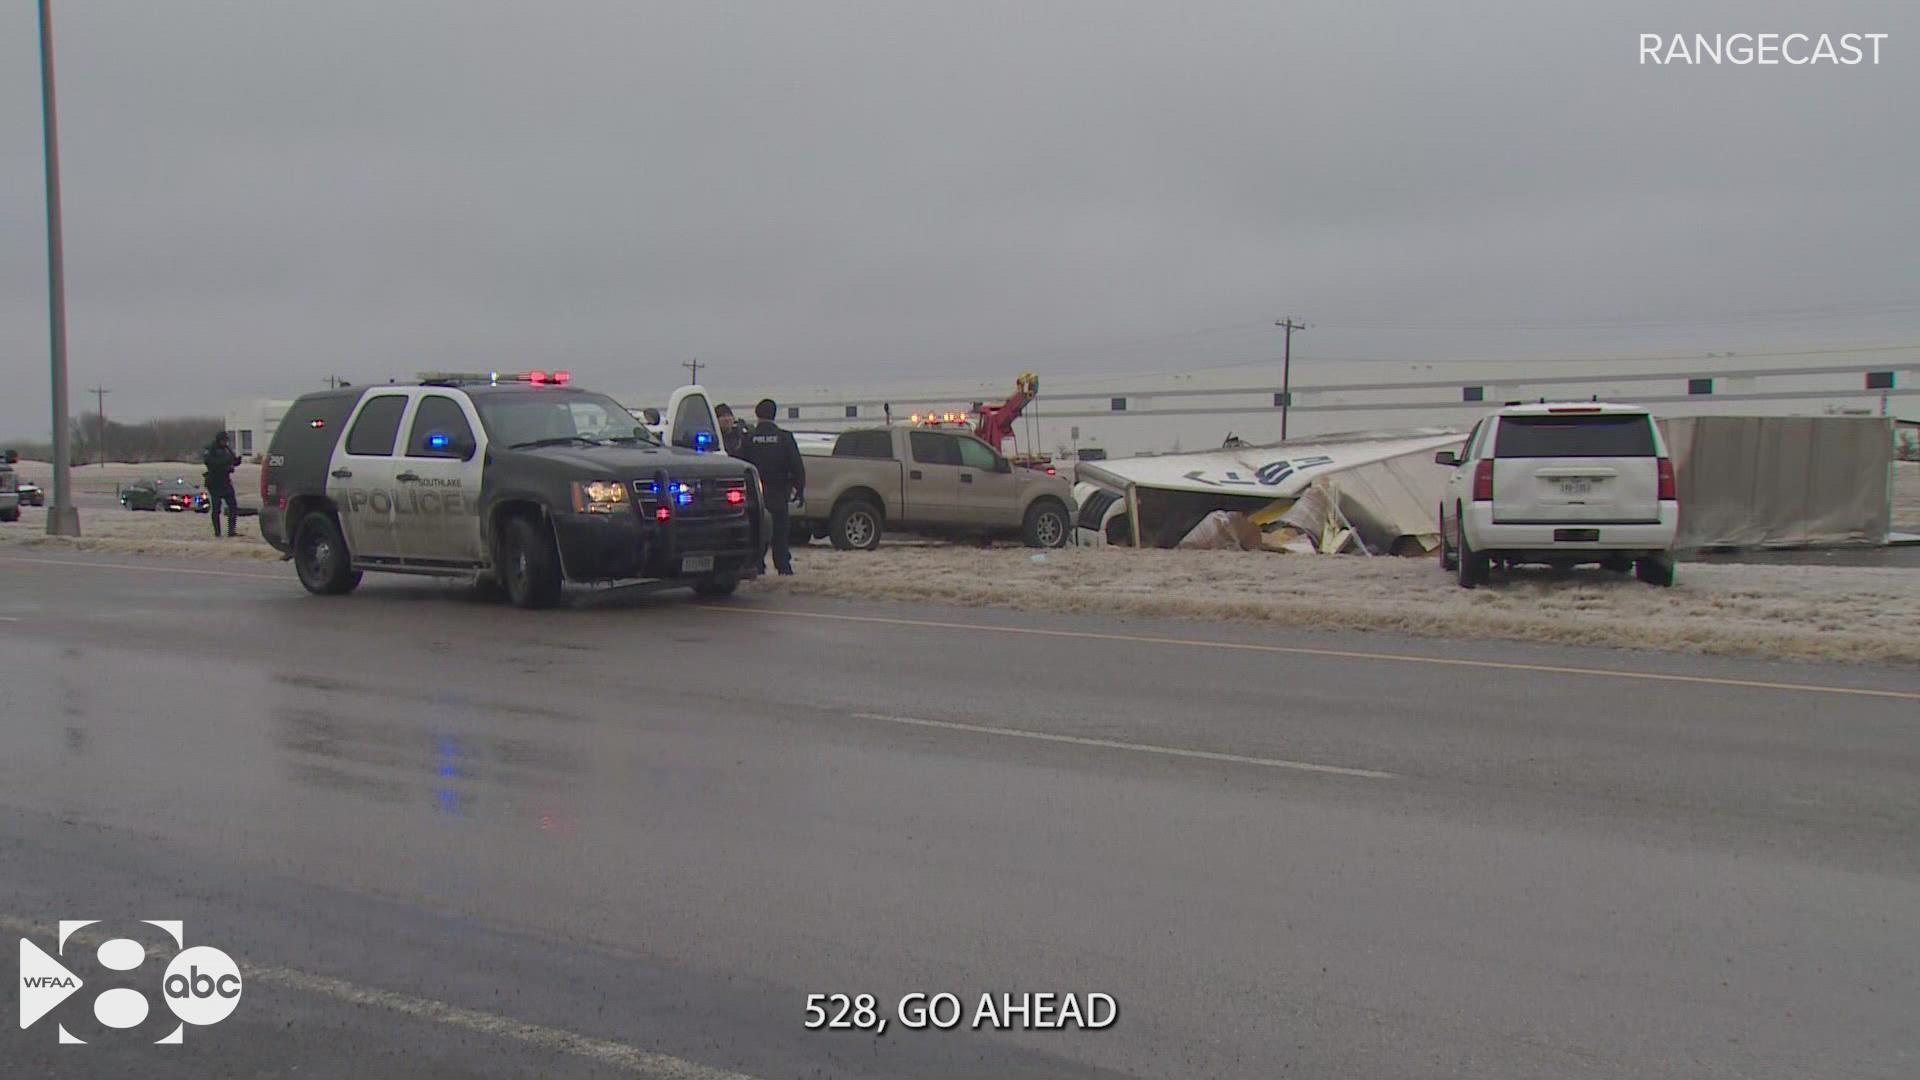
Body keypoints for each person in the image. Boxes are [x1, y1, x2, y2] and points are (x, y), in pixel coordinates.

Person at [735, 399, 805, 575]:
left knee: (758, 530)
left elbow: (740, 464)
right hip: (779, 491)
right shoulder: (785, 438)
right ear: (774, 414)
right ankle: (783, 565)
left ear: (757, 415)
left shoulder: (748, 438)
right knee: (780, 532)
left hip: (756, 494)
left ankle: (758, 564)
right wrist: (800, 489)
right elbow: (796, 465)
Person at [201, 431, 242, 537]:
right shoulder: (211, 449)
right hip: (214, 482)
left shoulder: (227, 449)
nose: (225, 442)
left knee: (233, 506)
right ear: (219, 440)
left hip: (225, 480)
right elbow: (209, 462)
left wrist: (236, 461)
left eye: (226, 440)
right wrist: (225, 462)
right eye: (223, 440)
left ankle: (231, 531)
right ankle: (217, 532)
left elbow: (232, 460)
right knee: (216, 508)